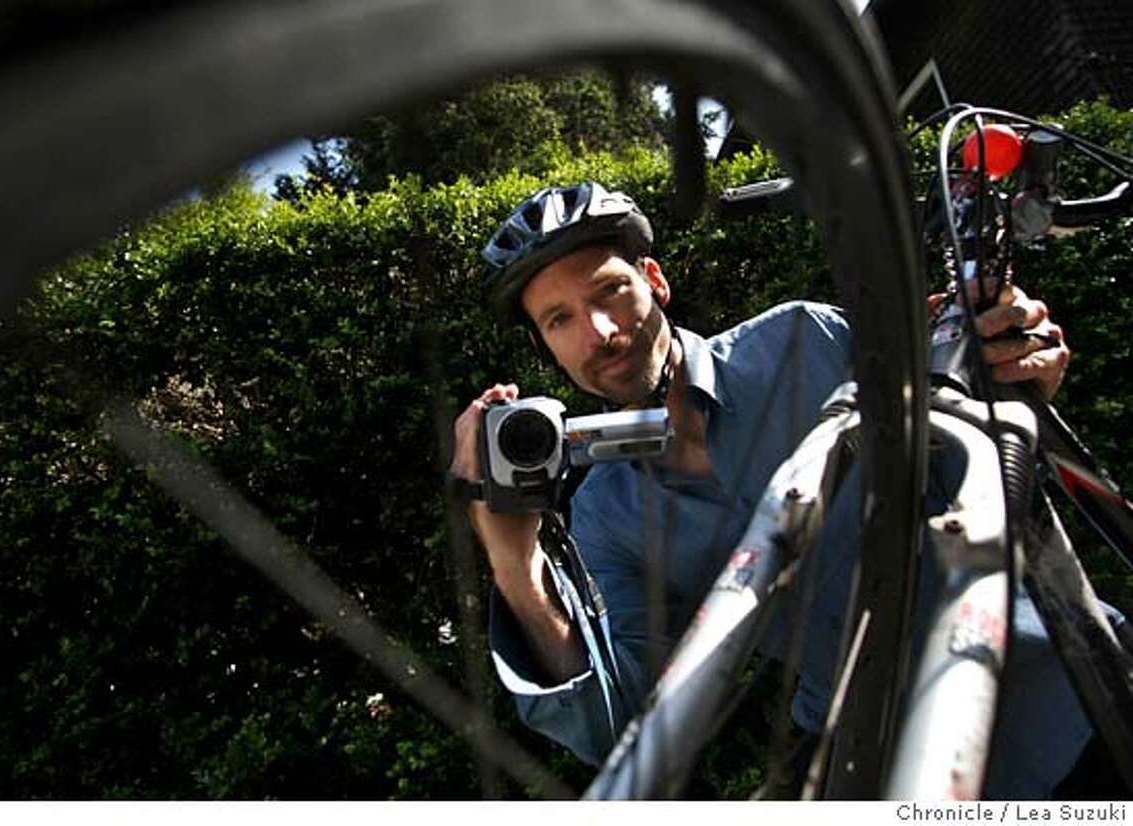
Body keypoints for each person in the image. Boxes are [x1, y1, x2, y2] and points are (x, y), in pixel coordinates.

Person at [449, 181, 1086, 798]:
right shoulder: (605, 515)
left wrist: (1010, 360)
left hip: (1064, 697)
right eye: (560, 319)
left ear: (656, 281)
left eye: (611, 291)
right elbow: (617, 726)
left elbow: (966, 413)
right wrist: (514, 561)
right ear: (547, 350)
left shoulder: (802, 340)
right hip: (885, 768)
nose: (599, 331)